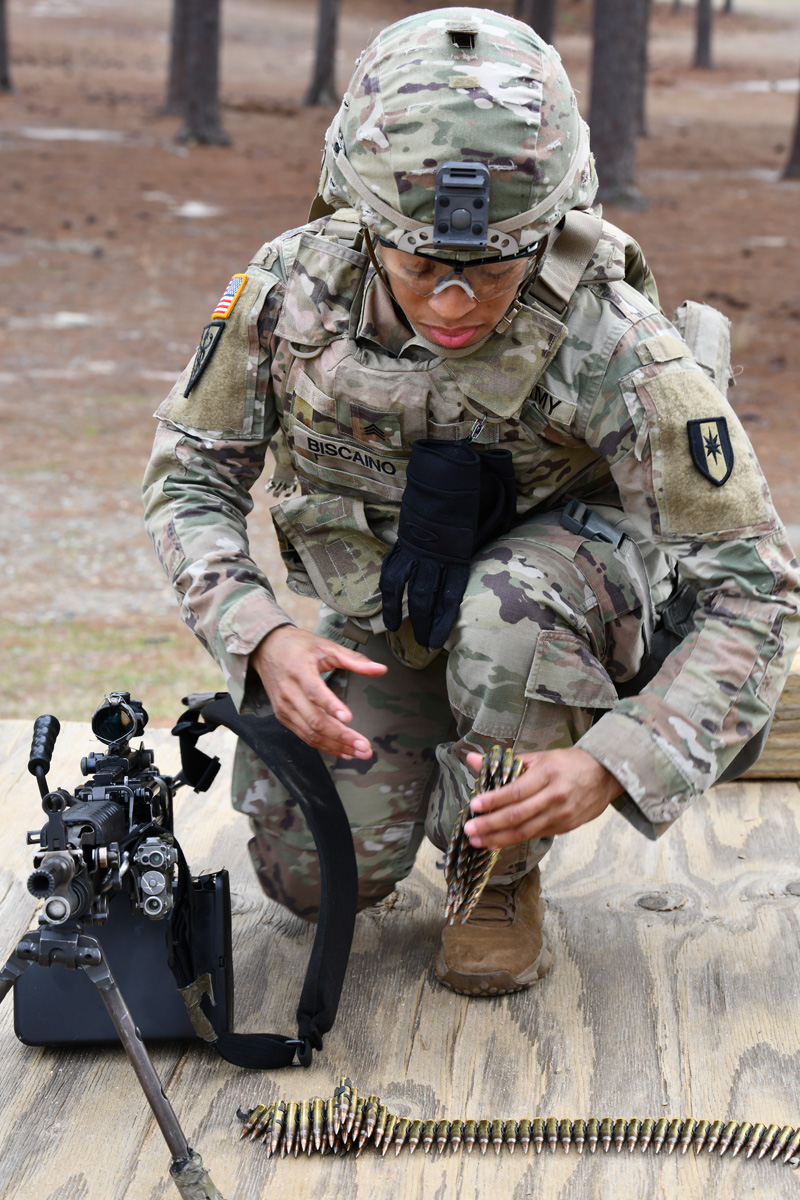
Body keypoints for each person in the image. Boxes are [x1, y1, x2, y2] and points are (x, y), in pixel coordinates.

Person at [143, 7, 800, 997]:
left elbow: (755, 586)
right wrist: (260, 635)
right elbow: (188, 474)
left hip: (550, 610)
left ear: (548, 225)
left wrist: (621, 758)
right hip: (387, 606)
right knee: (308, 875)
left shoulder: (615, 345)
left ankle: (495, 874)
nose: (454, 305)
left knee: (508, 611)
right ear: (361, 224)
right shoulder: (290, 296)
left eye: (490, 269)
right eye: (420, 269)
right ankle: (413, 775)